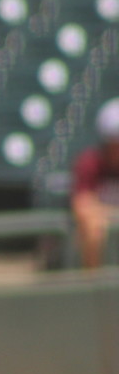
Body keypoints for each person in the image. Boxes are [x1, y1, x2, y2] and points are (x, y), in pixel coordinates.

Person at [71, 98, 119, 268]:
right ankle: (94, 288)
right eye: (115, 144)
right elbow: (82, 207)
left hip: (106, 217)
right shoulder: (90, 162)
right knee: (94, 229)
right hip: (100, 231)